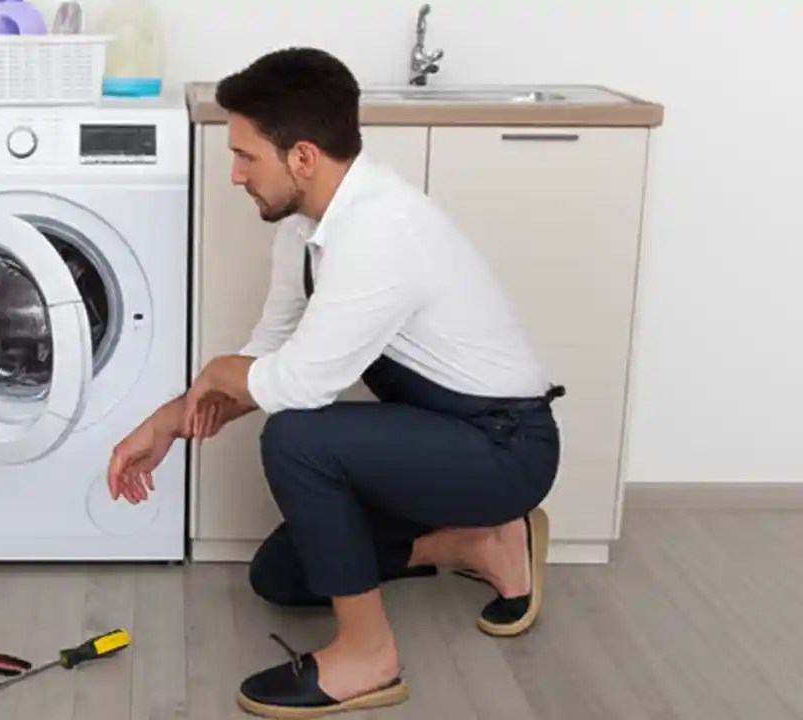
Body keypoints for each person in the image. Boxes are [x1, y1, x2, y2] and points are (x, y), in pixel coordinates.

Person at [106, 46, 563, 718]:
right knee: (282, 575)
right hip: (445, 436)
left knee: (295, 439)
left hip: (504, 448)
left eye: (245, 156)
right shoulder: (305, 227)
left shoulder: (381, 231)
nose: (233, 175)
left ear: (302, 158)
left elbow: (294, 385)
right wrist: (168, 421)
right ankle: (482, 540)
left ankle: (369, 658)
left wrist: (219, 375)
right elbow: (273, 350)